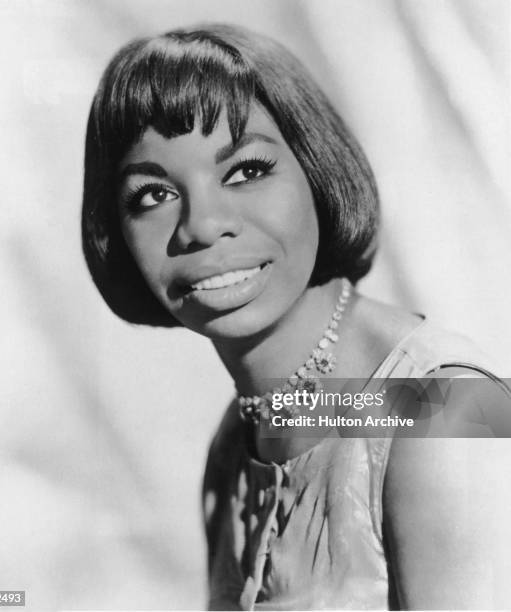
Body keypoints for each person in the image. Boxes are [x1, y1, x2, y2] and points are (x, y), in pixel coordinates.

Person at [81, 24, 511, 610]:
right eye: (153, 196)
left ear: (316, 169)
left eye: (247, 171)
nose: (202, 225)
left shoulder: (451, 404)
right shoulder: (238, 440)